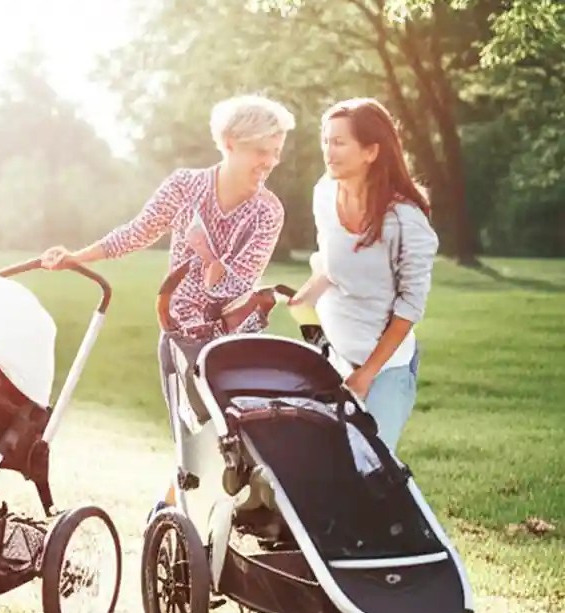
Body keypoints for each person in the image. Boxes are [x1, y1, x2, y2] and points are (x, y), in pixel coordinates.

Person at [40, 94, 294, 512]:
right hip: (179, 336)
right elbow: (138, 232)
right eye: (260, 151)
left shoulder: (268, 211)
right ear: (230, 142)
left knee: (232, 443)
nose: (269, 162)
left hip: (232, 341)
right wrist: (76, 256)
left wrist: (209, 261)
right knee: (194, 443)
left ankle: (183, 513)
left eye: (276, 154)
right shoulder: (185, 186)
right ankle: (178, 517)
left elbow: (237, 283)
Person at [288, 97, 438, 452]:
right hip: (333, 356)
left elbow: (410, 308)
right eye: (325, 140)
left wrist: (367, 373)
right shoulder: (324, 194)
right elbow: (331, 263)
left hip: (385, 367)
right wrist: (304, 298)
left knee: (371, 467)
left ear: (371, 151)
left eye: (339, 142)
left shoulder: (405, 219)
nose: (329, 150)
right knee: (320, 463)